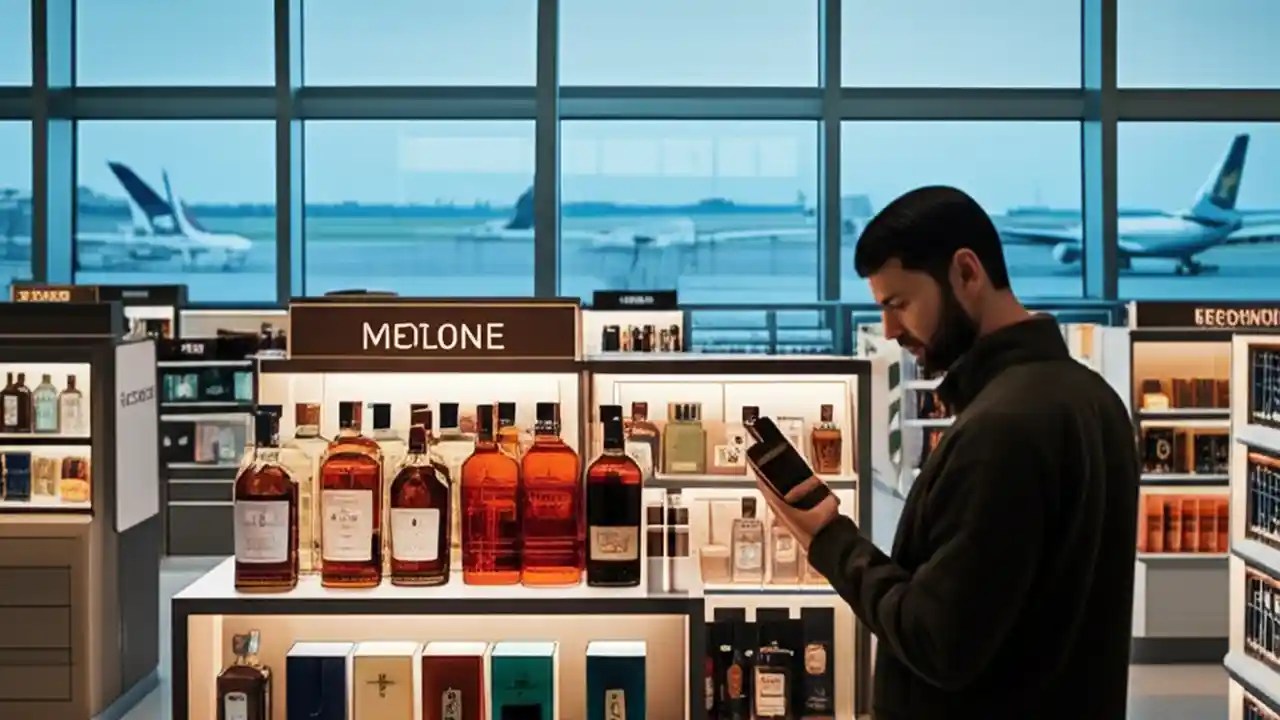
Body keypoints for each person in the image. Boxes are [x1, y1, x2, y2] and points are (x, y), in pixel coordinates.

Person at [757, 185, 1139, 719]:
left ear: (966, 272)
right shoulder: (1094, 400)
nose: (890, 331)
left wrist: (830, 540)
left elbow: (938, 640)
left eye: (900, 304)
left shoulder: (1003, 428)